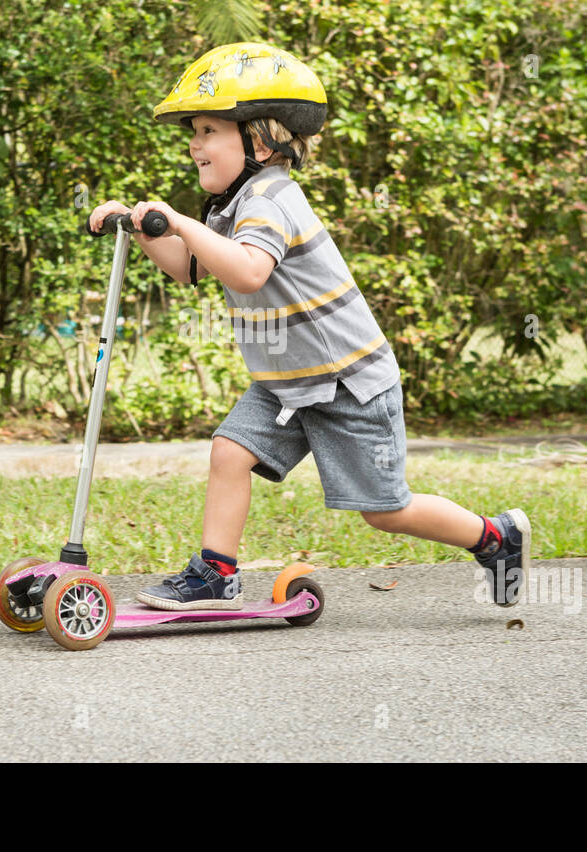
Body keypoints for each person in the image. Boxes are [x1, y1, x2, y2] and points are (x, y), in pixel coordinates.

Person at [87, 42, 531, 612]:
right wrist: (145, 230)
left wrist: (173, 220)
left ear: (262, 140)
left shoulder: (272, 200)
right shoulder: (230, 204)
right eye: (192, 132)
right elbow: (190, 266)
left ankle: (496, 537)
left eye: (208, 130)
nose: (195, 144)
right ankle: (215, 573)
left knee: (384, 510)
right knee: (230, 451)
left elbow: (247, 272)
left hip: (348, 383)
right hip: (289, 382)